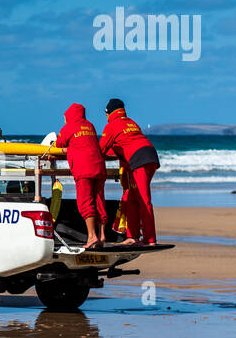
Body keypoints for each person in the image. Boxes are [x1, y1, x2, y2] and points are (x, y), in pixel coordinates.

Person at [99, 98, 160, 245]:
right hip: (151, 155)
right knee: (132, 197)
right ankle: (132, 236)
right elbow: (127, 143)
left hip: (139, 160)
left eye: (106, 114)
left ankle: (150, 239)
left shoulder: (111, 126)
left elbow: (100, 149)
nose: (106, 117)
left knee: (144, 199)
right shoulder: (131, 122)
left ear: (109, 113)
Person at [56, 102, 107, 250]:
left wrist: (63, 150)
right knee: (99, 200)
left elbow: (59, 144)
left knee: (85, 202)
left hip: (84, 168)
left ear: (69, 116)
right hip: (99, 166)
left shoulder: (68, 127)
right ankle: (102, 235)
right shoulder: (90, 126)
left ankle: (92, 236)